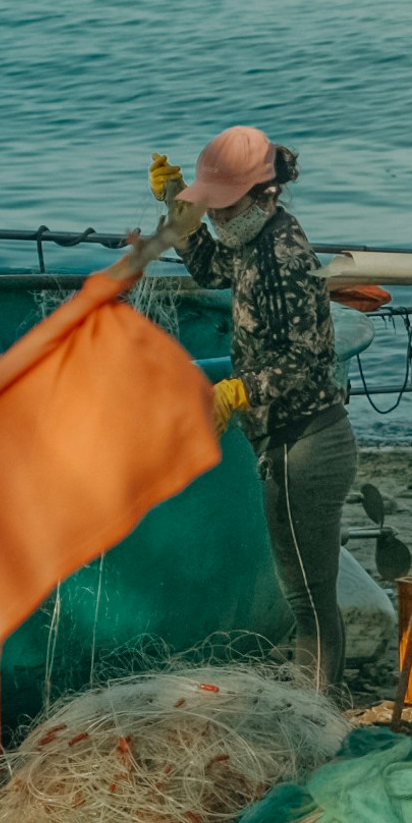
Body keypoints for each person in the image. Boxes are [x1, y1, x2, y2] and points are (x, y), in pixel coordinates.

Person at [156, 126, 356, 692]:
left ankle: (316, 708)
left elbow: (309, 356)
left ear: (262, 194)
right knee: (306, 591)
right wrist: (176, 215)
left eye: (223, 207)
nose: (216, 218)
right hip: (287, 438)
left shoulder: (284, 252)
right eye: (210, 208)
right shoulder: (253, 240)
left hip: (307, 443)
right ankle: (314, 697)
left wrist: (240, 389)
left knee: (308, 596)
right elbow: (211, 271)